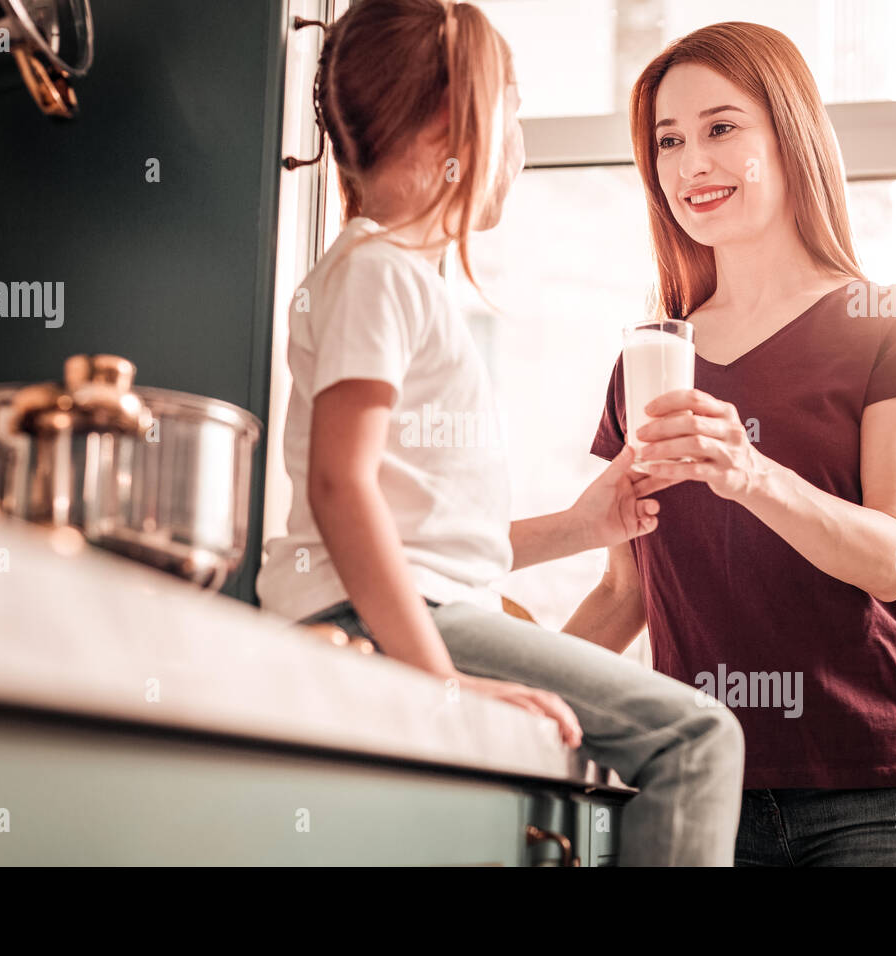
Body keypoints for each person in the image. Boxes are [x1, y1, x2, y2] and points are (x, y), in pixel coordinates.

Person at [256, 0, 743, 866]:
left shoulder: (384, 275)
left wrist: (583, 527)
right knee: (696, 739)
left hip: (387, 610)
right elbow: (340, 486)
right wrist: (442, 686)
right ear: (453, 121)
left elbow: (425, 539)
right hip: (369, 620)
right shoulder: (380, 275)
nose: (518, 139)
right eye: (511, 106)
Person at [570, 21, 896, 866]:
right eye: (668, 142)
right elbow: (624, 593)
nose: (691, 164)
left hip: (879, 785)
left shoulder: (895, 322)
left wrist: (750, 473)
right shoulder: (650, 359)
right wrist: (479, 694)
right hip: (698, 786)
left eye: (721, 128)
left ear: (788, 135)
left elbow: (890, 557)